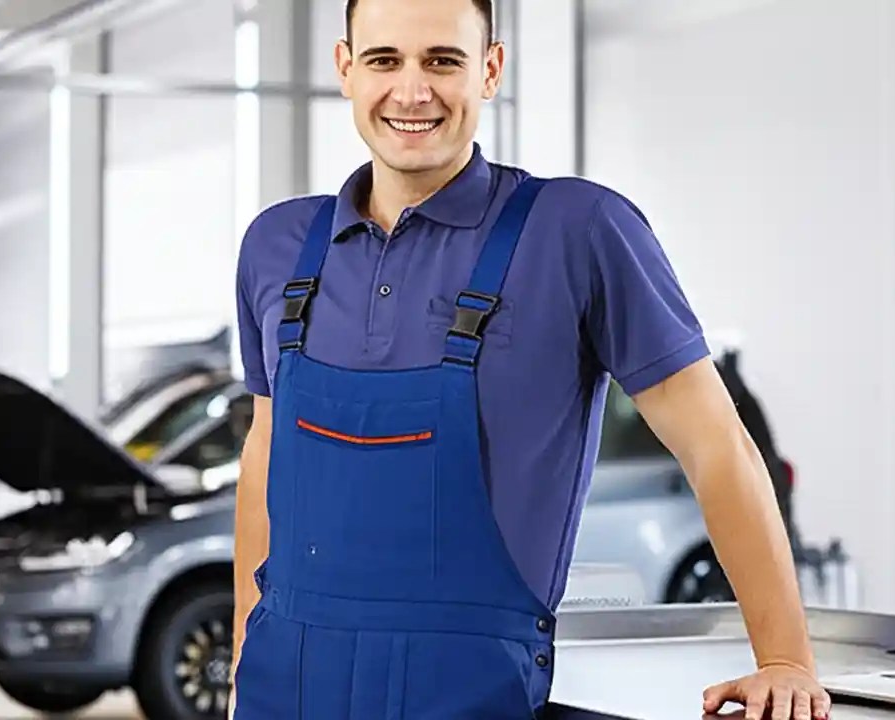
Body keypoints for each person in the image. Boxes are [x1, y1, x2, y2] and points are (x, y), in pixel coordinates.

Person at [229, 0, 831, 717]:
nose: (412, 91)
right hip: (286, 690)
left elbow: (716, 445)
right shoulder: (277, 246)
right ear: (345, 69)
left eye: (443, 61)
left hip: (472, 695)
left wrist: (786, 659)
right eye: (385, 60)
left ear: (490, 70)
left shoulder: (577, 232)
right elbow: (265, 454)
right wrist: (245, 661)